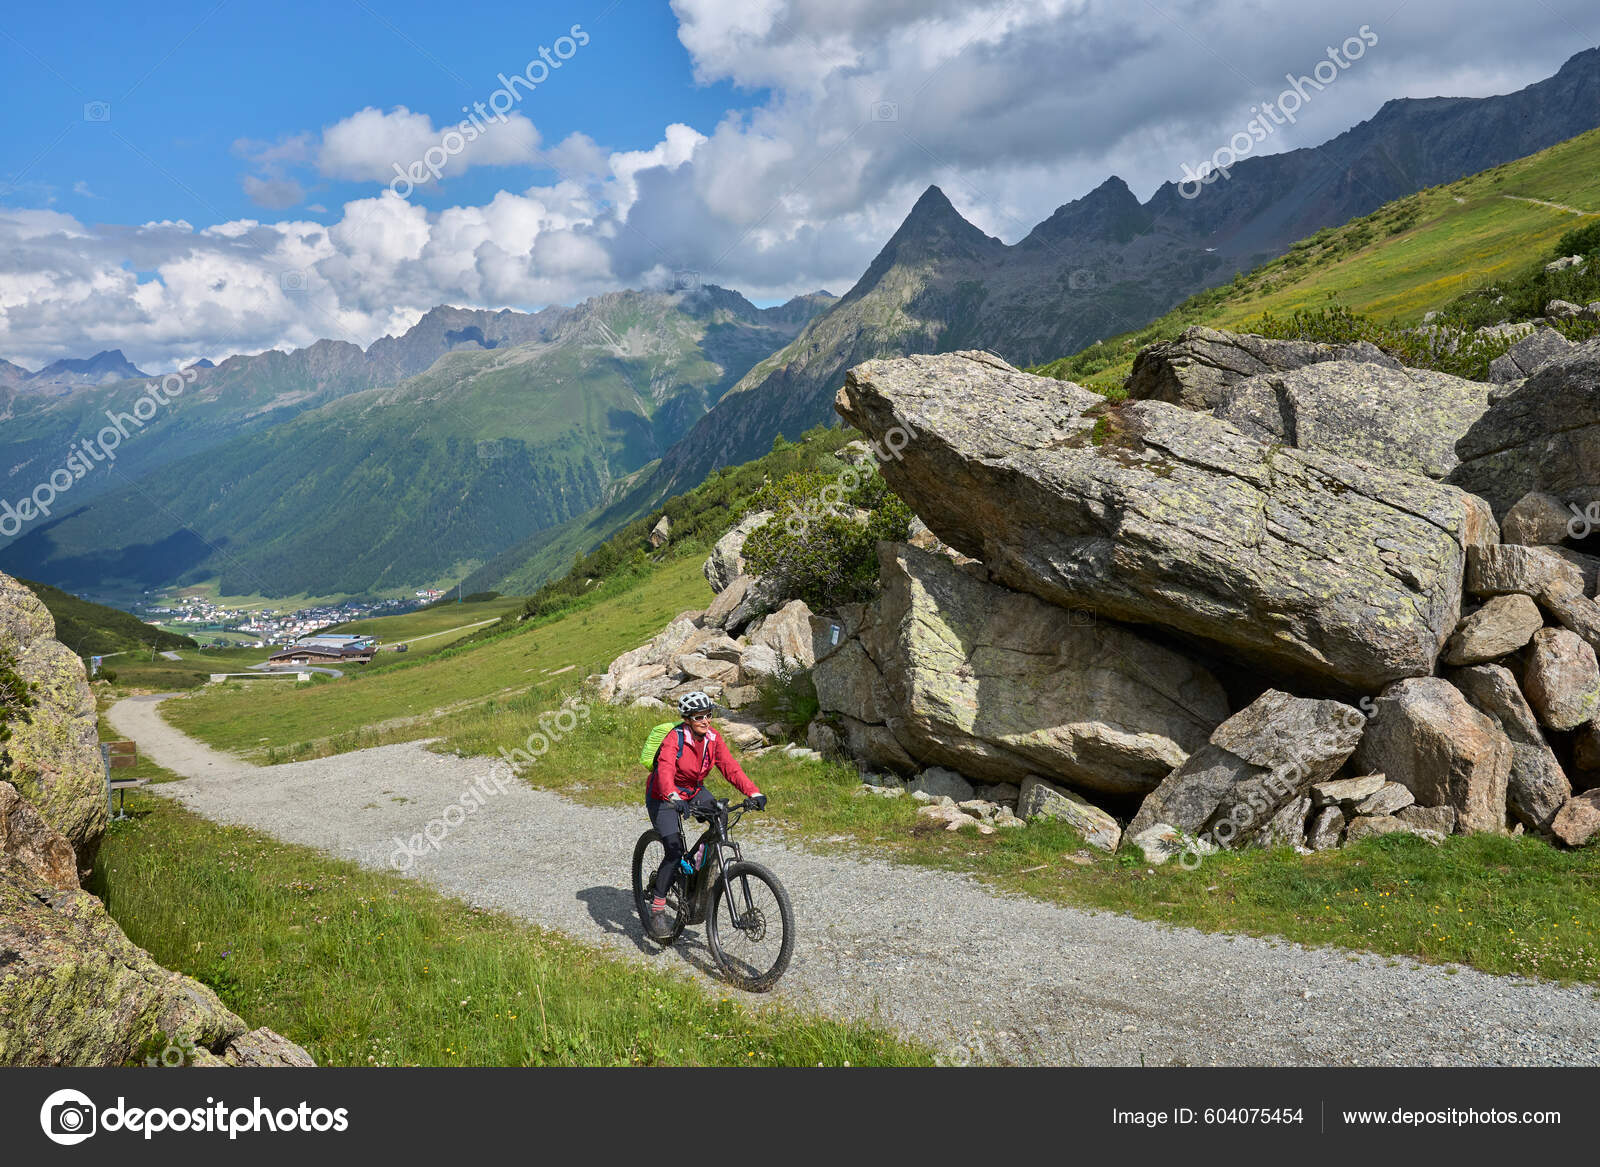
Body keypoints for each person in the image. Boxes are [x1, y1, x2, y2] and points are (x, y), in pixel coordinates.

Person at [644, 690, 765, 939]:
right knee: (674, 849)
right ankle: (657, 907)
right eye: (699, 717)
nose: (705, 721)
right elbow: (665, 770)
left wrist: (753, 792)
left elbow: (730, 768)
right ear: (687, 719)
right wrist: (673, 797)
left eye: (708, 715)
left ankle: (695, 873)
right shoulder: (674, 738)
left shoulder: (713, 738)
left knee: (720, 819)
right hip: (663, 796)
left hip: (693, 790)